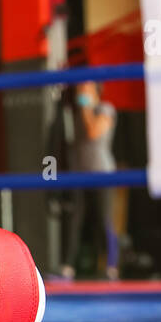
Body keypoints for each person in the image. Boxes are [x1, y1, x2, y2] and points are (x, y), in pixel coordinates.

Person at [61, 81, 119, 279]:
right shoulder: (74, 114)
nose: (81, 92)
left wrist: (86, 107)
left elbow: (93, 132)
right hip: (79, 174)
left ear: (95, 91)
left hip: (102, 173)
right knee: (74, 219)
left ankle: (112, 266)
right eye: (78, 89)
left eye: (85, 89)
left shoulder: (105, 109)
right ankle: (67, 266)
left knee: (104, 220)